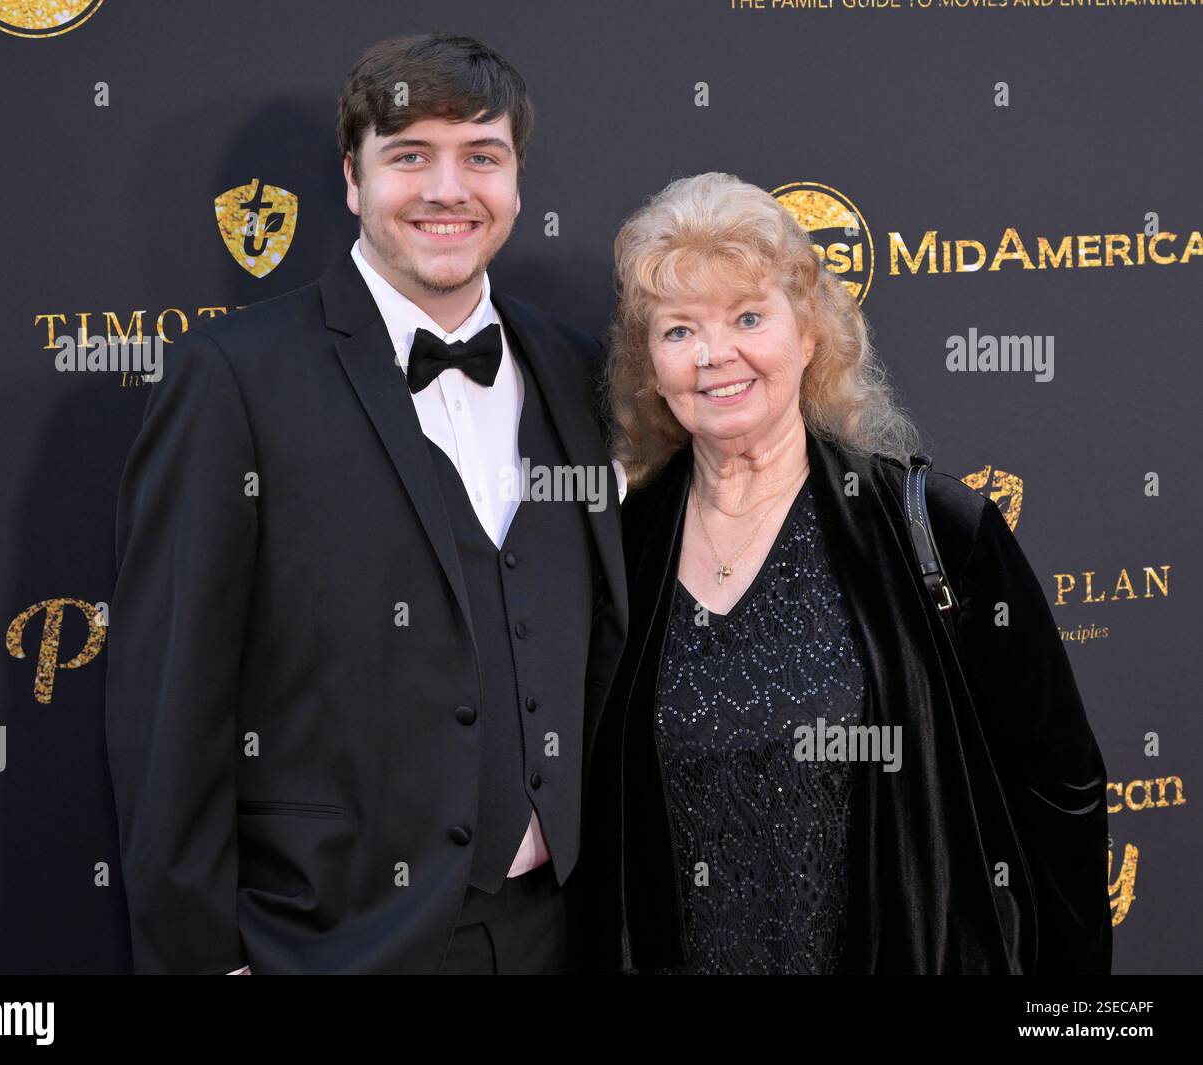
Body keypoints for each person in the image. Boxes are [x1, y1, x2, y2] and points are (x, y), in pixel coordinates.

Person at [105, 32, 626, 974]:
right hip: (328, 943)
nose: (447, 190)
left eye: (481, 156)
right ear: (352, 179)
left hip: (558, 933)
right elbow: (169, 705)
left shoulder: (579, 371)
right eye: (409, 155)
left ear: (515, 181)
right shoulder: (233, 379)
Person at [580, 171, 1113, 974]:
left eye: (748, 317)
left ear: (811, 334)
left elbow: (1060, 792)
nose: (714, 355)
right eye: (678, 330)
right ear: (649, 364)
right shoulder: (620, 551)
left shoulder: (935, 528)